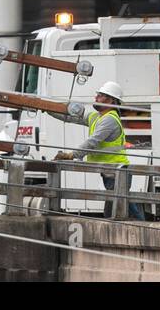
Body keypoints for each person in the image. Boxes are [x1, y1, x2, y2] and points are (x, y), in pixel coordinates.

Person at [55, 81, 147, 221]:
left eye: (100, 95)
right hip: (111, 171)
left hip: (117, 171)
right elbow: (69, 117)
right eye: (97, 94)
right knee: (121, 207)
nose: (96, 97)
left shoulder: (109, 120)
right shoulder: (96, 117)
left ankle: (143, 229)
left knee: (119, 209)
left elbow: (92, 141)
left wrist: (72, 155)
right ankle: (142, 228)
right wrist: (47, 109)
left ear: (111, 100)